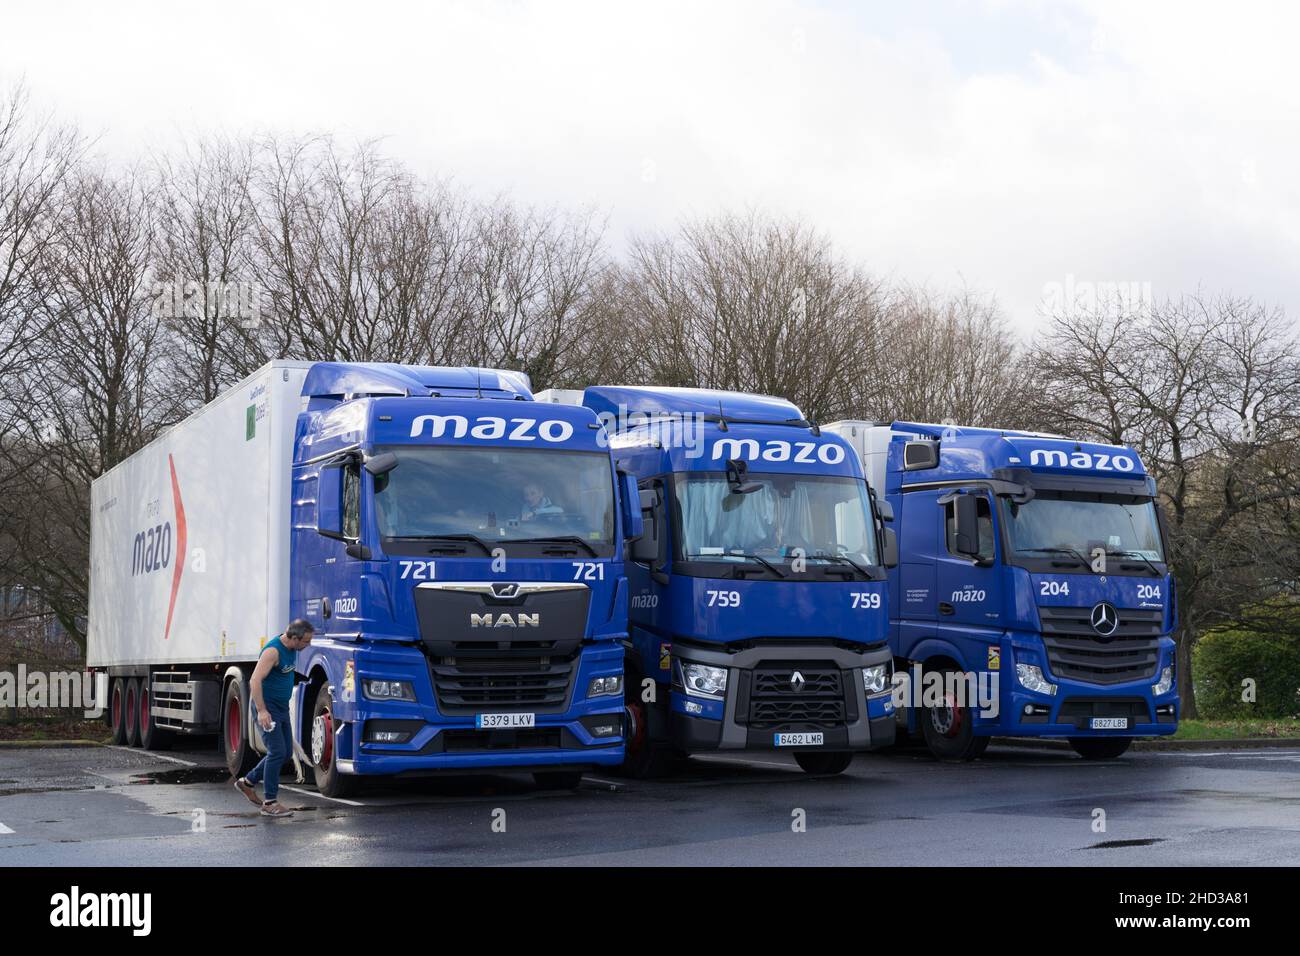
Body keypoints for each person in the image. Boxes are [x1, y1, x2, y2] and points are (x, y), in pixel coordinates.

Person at [233, 619, 314, 817]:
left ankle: (248, 782)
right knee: (277, 751)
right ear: (294, 638)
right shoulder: (273, 652)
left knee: (285, 753)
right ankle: (270, 803)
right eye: (306, 641)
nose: (308, 645)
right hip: (267, 707)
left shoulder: (293, 649)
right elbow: (255, 680)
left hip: (281, 708)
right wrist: (261, 711)